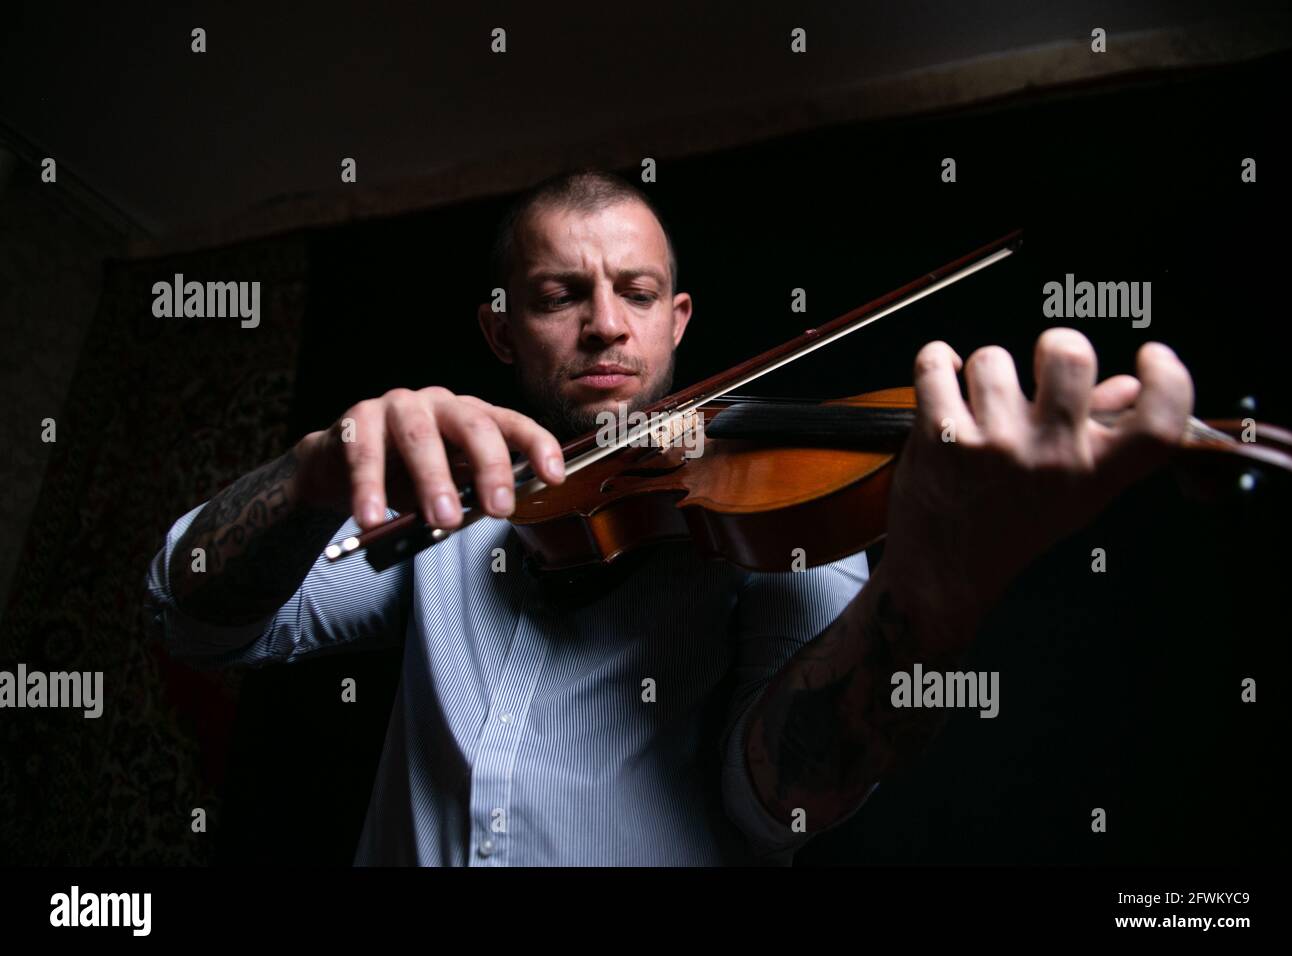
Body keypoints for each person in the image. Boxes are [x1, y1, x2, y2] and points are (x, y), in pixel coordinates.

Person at [144, 169, 1193, 865]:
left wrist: (930, 594)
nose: (605, 322)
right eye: (559, 294)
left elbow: (782, 796)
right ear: (500, 329)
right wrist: (319, 468)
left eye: (636, 292)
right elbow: (199, 612)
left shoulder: (769, 506)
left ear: (677, 318)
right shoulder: (449, 501)